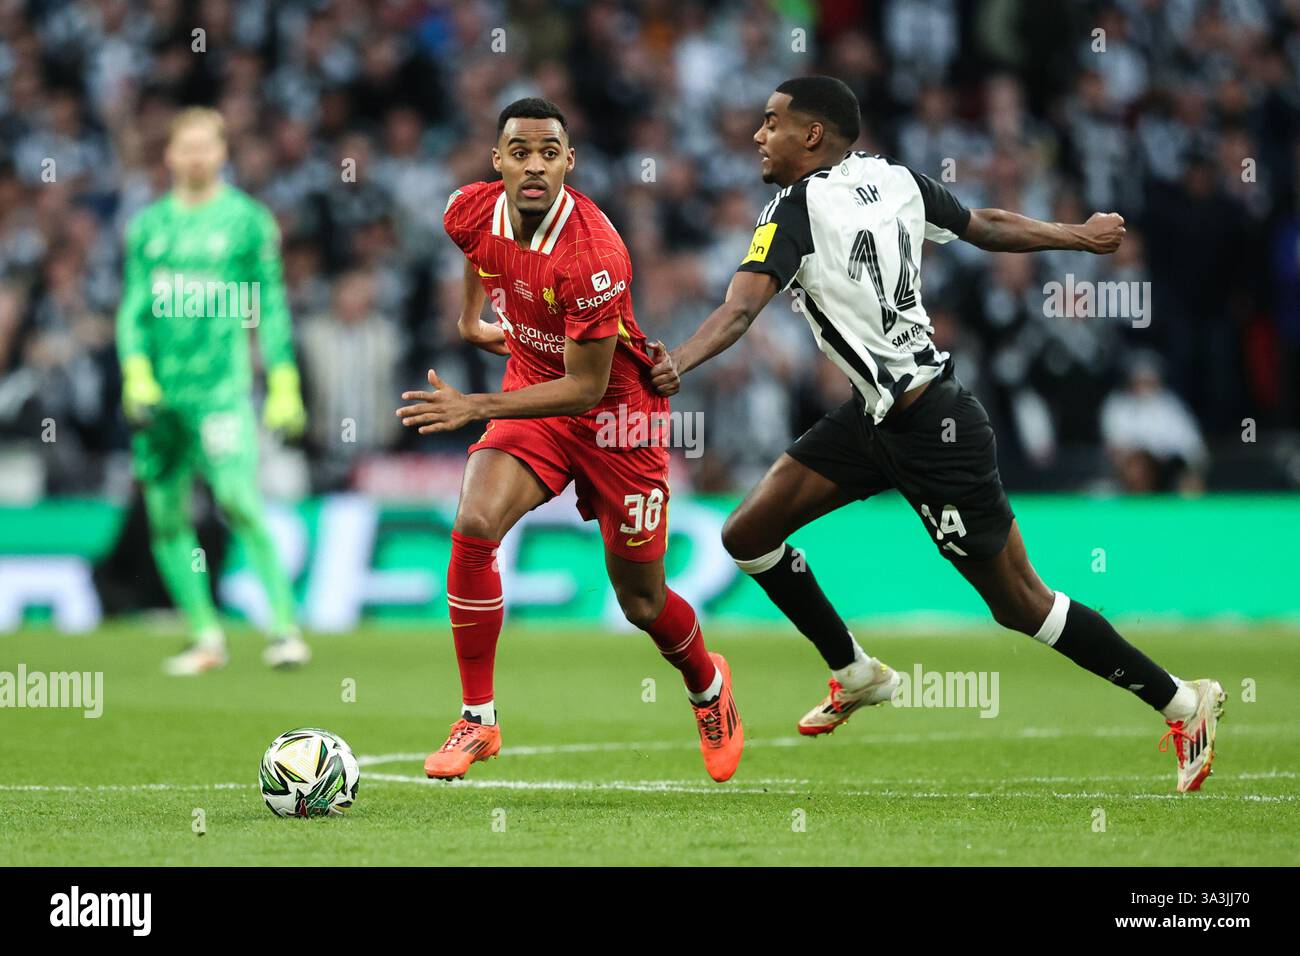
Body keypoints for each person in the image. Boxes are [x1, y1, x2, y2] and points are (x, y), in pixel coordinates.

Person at [651, 77, 1223, 793]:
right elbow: (982, 224)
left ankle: (1181, 700)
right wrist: (1076, 236)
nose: (758, 136)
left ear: (813, 135)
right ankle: (854, 670)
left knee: (1022, 604)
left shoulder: (793, 209)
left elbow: (739, 311)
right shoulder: (894, 180)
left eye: (771, 124)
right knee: (748, 533)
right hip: (872, 415)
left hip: (932, 427)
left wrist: (675, 363)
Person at [396, 98, 743, 783]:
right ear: (497, 161)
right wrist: (473, 321)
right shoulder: (465, 208)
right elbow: (478, 253)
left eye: (548, 154)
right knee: (473, 522)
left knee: (642, 602)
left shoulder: (592, 255)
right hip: (536, 399)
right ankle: (477, 718)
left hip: (619, 419)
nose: (533, 166)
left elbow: (587, 388)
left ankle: (708, 687)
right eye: (519, 152)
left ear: (568, 163)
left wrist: (476, 405)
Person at [116, 108, 309, 676]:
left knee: (236, 499)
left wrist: (282, 378)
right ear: (170, 155)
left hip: (221, 391)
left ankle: (283, 628)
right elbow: (132, 308)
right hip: (160, 396)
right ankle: (205, 634)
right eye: (187, 146)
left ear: (223, 153)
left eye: (207, 146)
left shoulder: (248, 221)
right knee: (166, 518)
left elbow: (268, 305)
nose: (197, 156)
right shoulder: (148, 226)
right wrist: (134, 370)